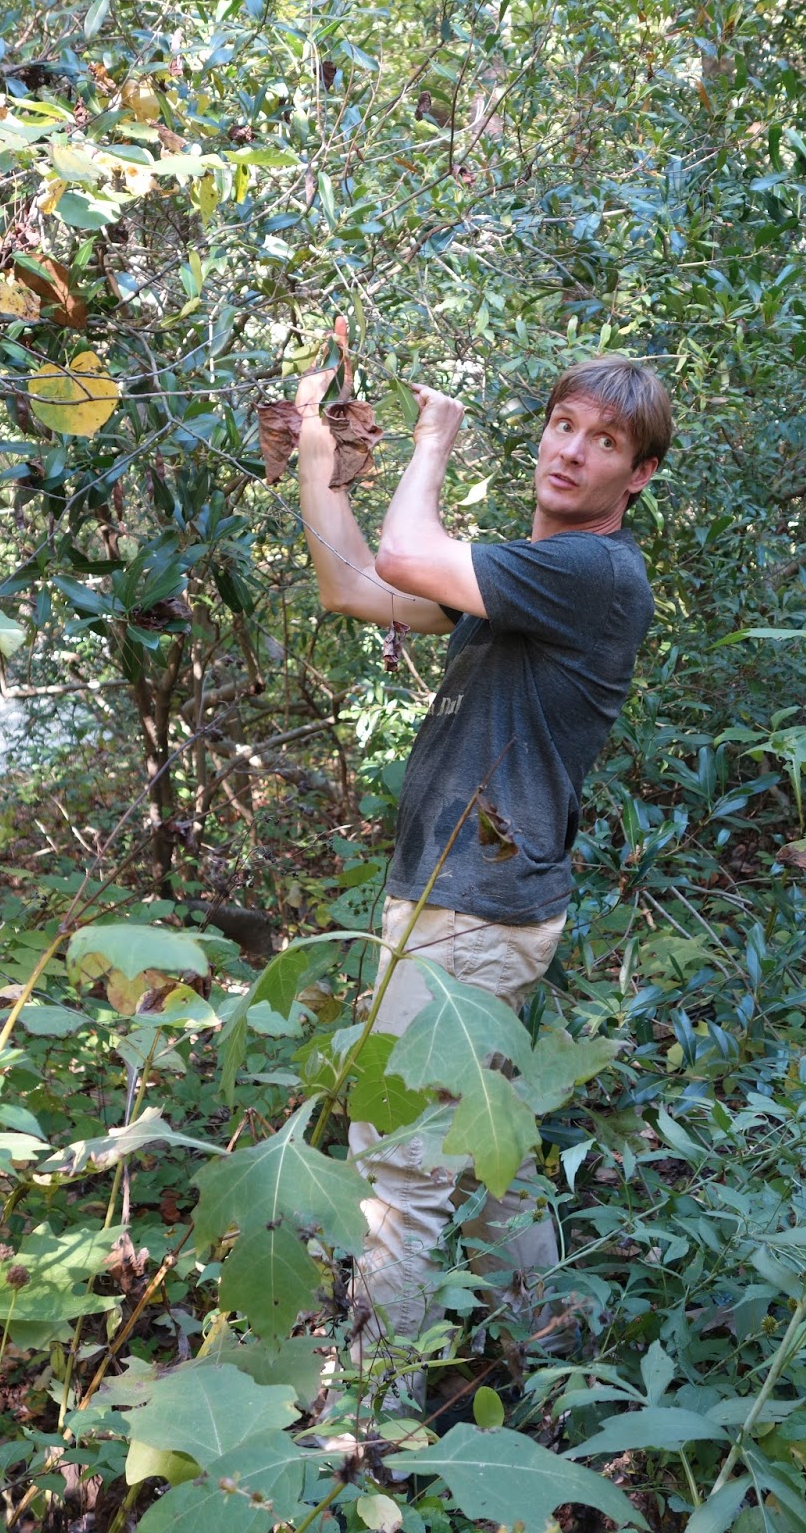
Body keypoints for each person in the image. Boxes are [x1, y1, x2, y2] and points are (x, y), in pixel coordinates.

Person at [295, 351, 672, 1415]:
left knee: (400, 1175)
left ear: (637, 473)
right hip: (473, 903)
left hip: (465, 909)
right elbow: (357, 583)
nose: (571, 450)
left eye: (604, 440)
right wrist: (321, 460)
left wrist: (429, 443)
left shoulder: (592, 574)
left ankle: (360, 1430)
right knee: (482, 1146)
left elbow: (410, 551)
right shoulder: (530, 579)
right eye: (563, 424)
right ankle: (553, 1360)